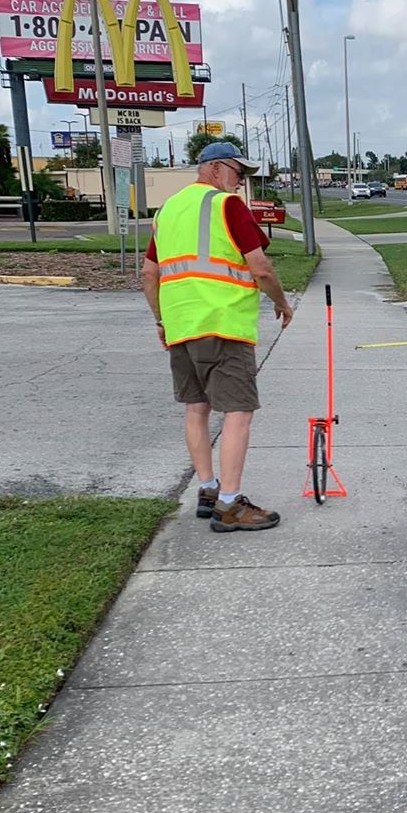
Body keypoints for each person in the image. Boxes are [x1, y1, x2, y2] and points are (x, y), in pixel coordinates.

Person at [141, 141, 293, 533]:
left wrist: (162, 321)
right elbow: (259, 266)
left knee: (196, 407)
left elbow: (149, 274)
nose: (241, 181)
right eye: (238, 172)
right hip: (223, 325)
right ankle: (229, 505)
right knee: (238, 412)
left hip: (181, 328)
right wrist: (281, 302)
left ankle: (208, 489)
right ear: (215, 168)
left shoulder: (167, 210)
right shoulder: (226, 206)